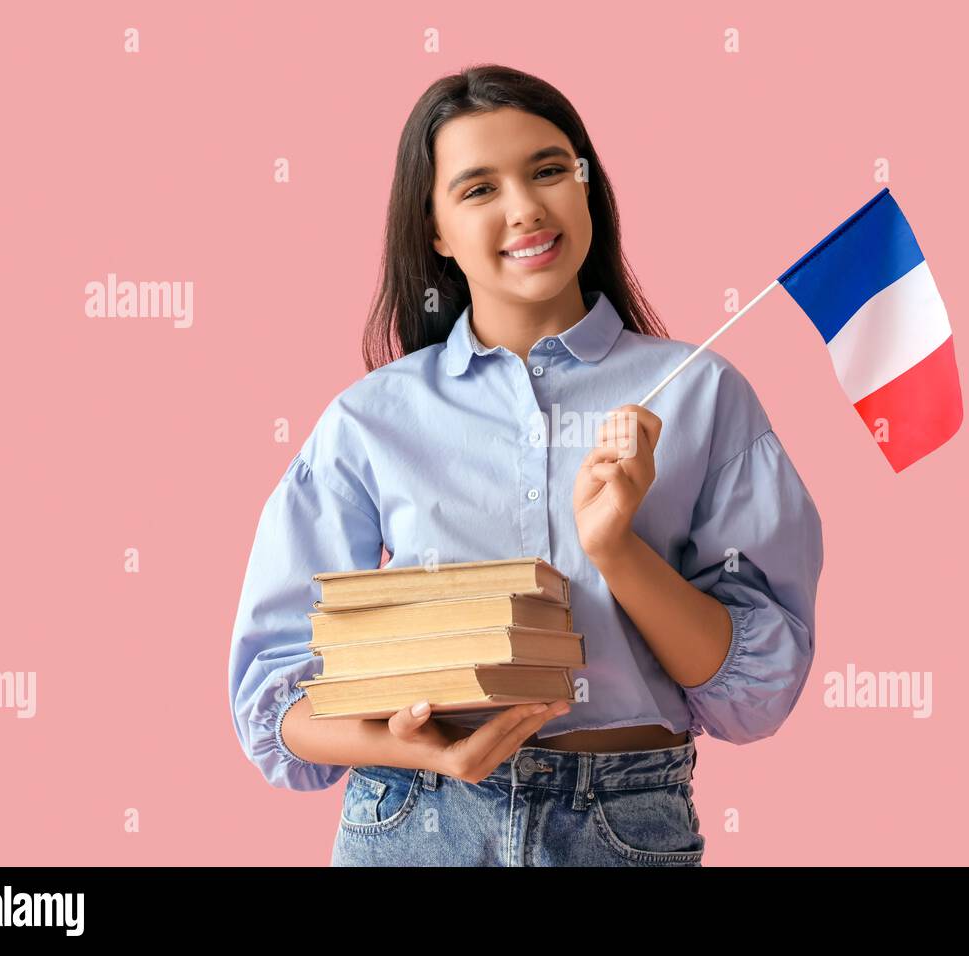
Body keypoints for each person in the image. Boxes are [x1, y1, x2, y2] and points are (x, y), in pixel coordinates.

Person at [226, 64, 824, 866]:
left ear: (587, 187)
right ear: (434, 229)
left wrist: (618, 549)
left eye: (549, 170)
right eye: (478, 189)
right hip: (412, 821)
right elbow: (275, 696)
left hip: (624, 821)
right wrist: (430, 753)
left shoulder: (701, 393)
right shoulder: (369, 421)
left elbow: (757, 695)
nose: (525, 208)